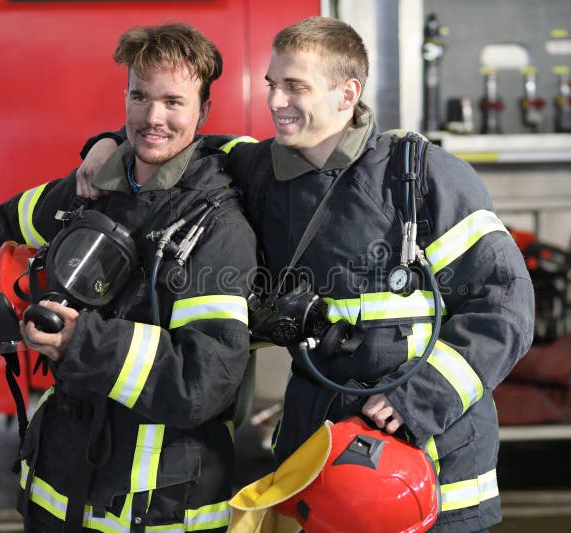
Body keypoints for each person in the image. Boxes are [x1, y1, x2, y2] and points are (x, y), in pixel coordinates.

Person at [79, 16, 534, 532]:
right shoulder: (259, 171)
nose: (275, 102)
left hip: (432, 475)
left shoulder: (421, 178)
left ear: (348, 93)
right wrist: (105, 143)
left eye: (295, 87)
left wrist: (420, 398)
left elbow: (506, 307)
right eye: (273, 84)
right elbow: (170, 135)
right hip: (325, 476)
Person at [0, 23, 257, 532]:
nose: (153, 117)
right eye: (140, 95)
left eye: (173, 101)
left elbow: (203, 382)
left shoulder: (218, 227)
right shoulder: (89, 189)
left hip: (155, 511)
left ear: (203, 112)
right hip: (58, 498)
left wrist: (84, 341)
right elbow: (5, 232)